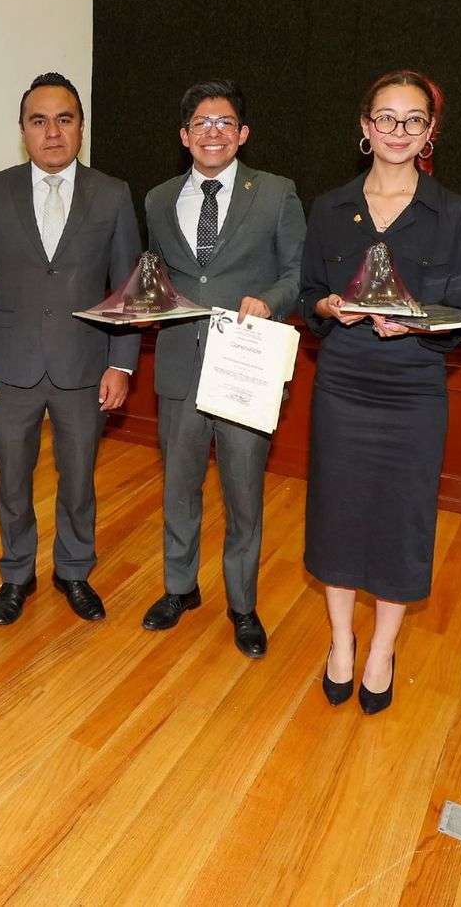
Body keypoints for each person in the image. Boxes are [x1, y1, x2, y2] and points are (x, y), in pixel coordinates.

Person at [299, 69, 461, 714]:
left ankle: (382, 650)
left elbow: (460, 313)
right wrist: (326, 305)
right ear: (365, 126)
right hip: (343, 382)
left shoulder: (453, 213)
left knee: (403, 519)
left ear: (430, 132)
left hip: (414, 389)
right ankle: (341, 641)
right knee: (338, 512)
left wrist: (419, 322)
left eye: (413, 120)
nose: (398, 131)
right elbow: (309, 296)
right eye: (386, 118)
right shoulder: (329, 208)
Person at [0, 73, 141, 626]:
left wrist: (121, 362)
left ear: (81, 127)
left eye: (64, 119)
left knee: (78, 480)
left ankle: (74, 570)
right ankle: (16, 573)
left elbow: (128, 289)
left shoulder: (112, 193)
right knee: (12, 482)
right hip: (7, 368)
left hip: (85, 366)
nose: (53, 132)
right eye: (39, 121)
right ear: (23, 130)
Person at [140, 80, 306, 655]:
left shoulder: (276, 192)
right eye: (201, 123)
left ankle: (242, 605)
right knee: (179, 489)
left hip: (246, 368)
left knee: (243, 494)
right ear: (184, 136)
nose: (213, 132)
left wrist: (271, 301)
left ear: (243, 134)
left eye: (224, 122)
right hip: (179, 366)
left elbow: (297, 274)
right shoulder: (158, 199)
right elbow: (158, 276)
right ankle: (179, 588)